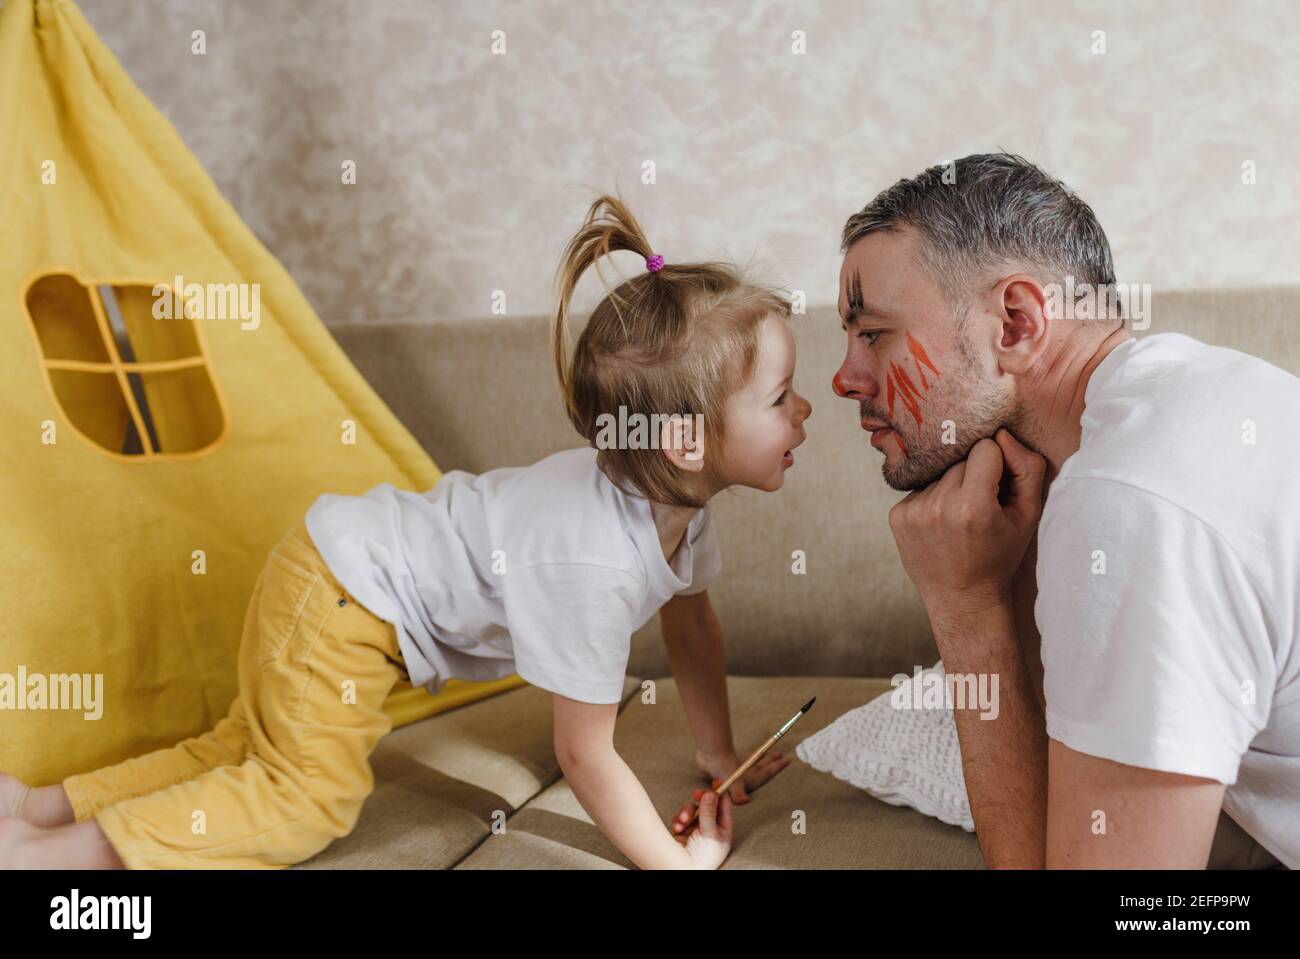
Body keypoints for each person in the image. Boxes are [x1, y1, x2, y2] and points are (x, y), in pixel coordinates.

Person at [0, 194, 809, 870]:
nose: (804, 411)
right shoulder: (589, 558)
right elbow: (586, 754)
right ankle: (46, 862)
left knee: (243, 747)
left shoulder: (676, 506)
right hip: (344, 598)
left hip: (332, 574)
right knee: (308, 796)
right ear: (685, 442)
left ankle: (36, 806)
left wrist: (716, 751)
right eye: (781, 398)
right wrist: (677, 868)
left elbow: (691, 621)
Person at [832, 153, 1299, 868]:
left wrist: (965, 609)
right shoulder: (1192, 397)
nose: (843, 377)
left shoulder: (1129, 500)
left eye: (873, 334)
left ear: (1016, 323)